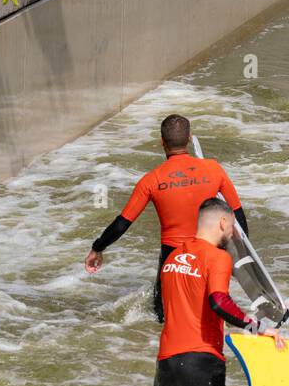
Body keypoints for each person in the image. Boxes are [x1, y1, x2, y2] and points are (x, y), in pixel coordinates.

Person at [84, 113, 250, 323]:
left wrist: (98, 248)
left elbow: (122, 223)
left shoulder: (151, 180)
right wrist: (239, 257)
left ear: (162, 142)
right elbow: (239, 217)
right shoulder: (214, 169)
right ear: (189, 139)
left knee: (164, 319)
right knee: (211, 312)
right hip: (210, 254)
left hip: (173, 259)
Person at [152, 198, 286, 386]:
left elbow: (164, 307)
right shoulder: (217, 258)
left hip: (166, 365)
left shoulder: (172, 259)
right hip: (201, 362)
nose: (234, 232)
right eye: (233, 226)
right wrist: (258, 328)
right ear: (223, 222)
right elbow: (219, 302)